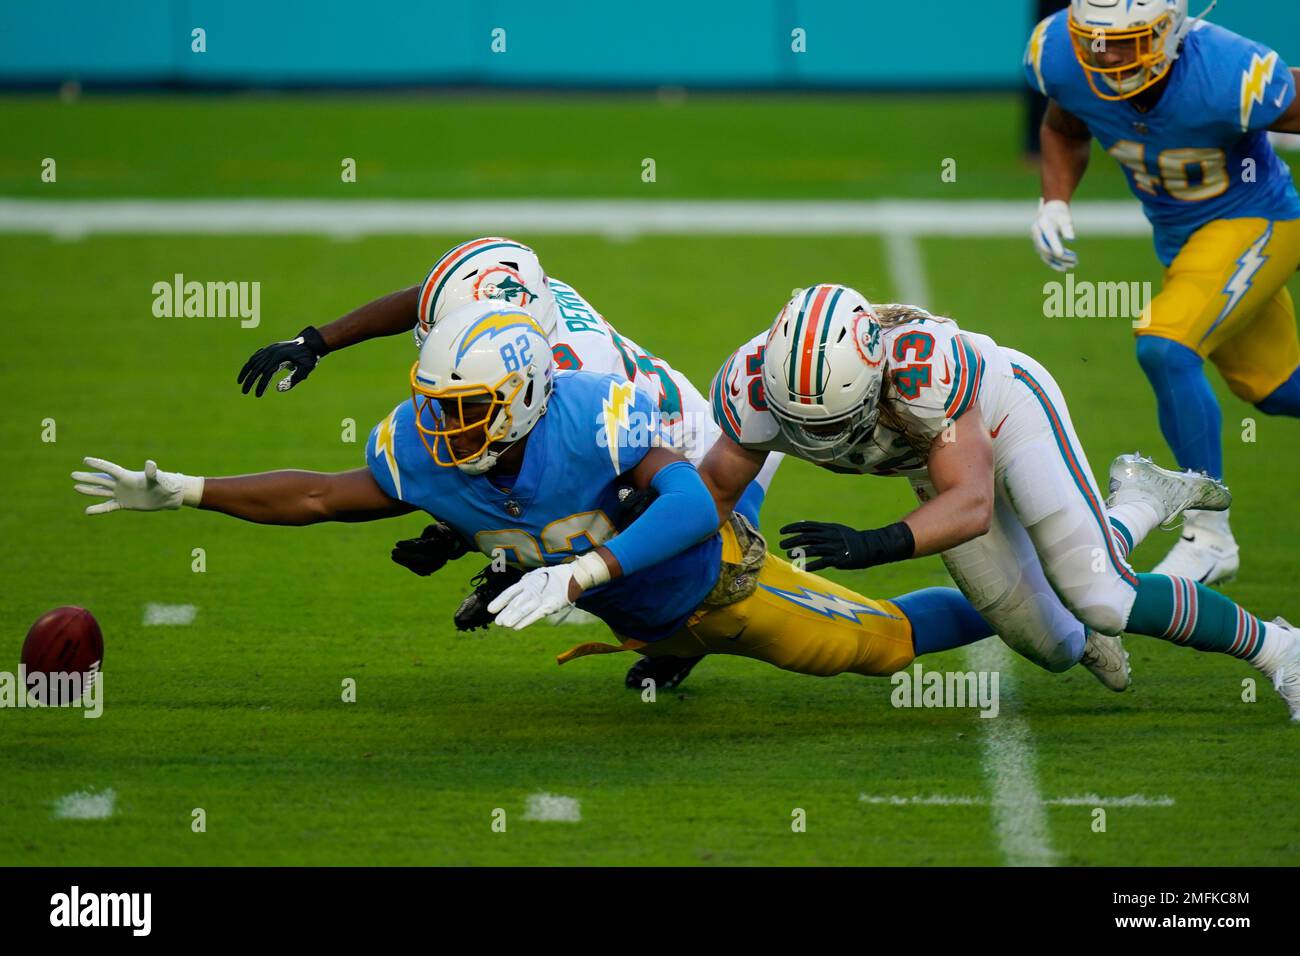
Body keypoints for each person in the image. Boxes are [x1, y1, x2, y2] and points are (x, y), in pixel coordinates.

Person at [72, 300, 999, 692]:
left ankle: (1021, 603)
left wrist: (578, 571)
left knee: (886, 647)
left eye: (466, 408)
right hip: (630, 602)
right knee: (529, 556)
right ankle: (666, 647)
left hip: (712, 581)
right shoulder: (430, 452)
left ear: (519, 395)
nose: (444, 428)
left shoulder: (590, 410)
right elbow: (316, 497)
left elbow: (690, 504)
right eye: (437, 406)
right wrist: (192, 490)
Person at [696, 284, 1300, 721]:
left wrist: (871, 543)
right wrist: (689, 620)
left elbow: (970, 503)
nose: (816, 443)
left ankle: (1280, 649)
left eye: (832, 424)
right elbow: (712, 499)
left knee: (1104, 599)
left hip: (1007, 419)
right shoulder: (754, 387)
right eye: (799, 425)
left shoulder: (926, 375)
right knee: (1057, 645)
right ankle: (1138, 502)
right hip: (933, 460)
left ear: (874, 374)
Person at [234, 236, 779, 690]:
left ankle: (679, 645)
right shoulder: (519, 305)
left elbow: (565, 491)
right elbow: (422, 300)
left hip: (692, 446)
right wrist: (317, 341)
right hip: (629, 436)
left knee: (673, 572)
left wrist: (481, 547)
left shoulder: (571, 369)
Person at [1026, 0, 1300, 583]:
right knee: (1277, 389)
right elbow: (1063, 125)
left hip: (1258, 221)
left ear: (1170, 31)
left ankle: (1209, 534)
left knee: (1164, 346)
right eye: (1094, 40)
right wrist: (1054, 199)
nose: (1106, 55)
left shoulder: (1228, 71)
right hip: (1183, 242)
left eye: (1127, 40)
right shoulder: (1064, 60)